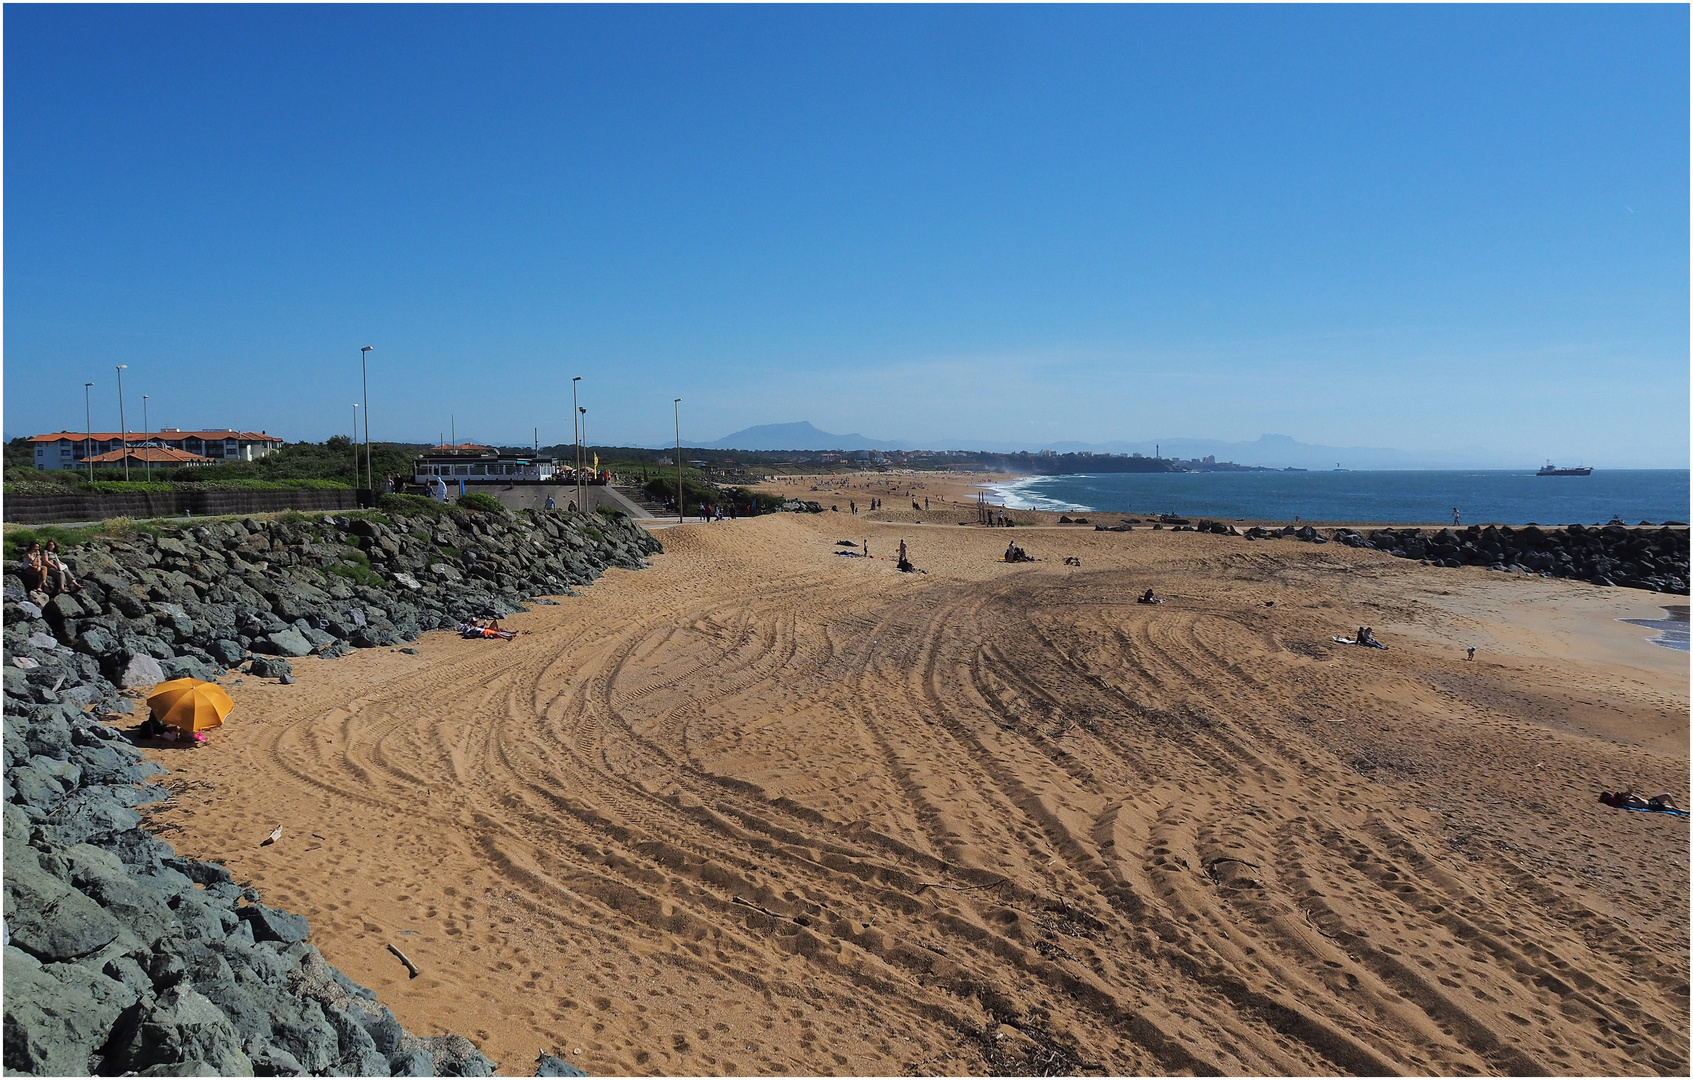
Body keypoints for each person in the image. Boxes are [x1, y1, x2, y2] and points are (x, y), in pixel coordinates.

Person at [1600, 789, 1681, 812]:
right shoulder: (1628, 801)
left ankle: (1679, 808)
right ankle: (1681, 810)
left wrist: (1630, 793)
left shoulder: (1627, 799)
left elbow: (1631, 791)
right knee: (1671, 808)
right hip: (1652, 805)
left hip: (1651, 802)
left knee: (1667, 795)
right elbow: (1641, 804)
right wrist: (1632, 796)